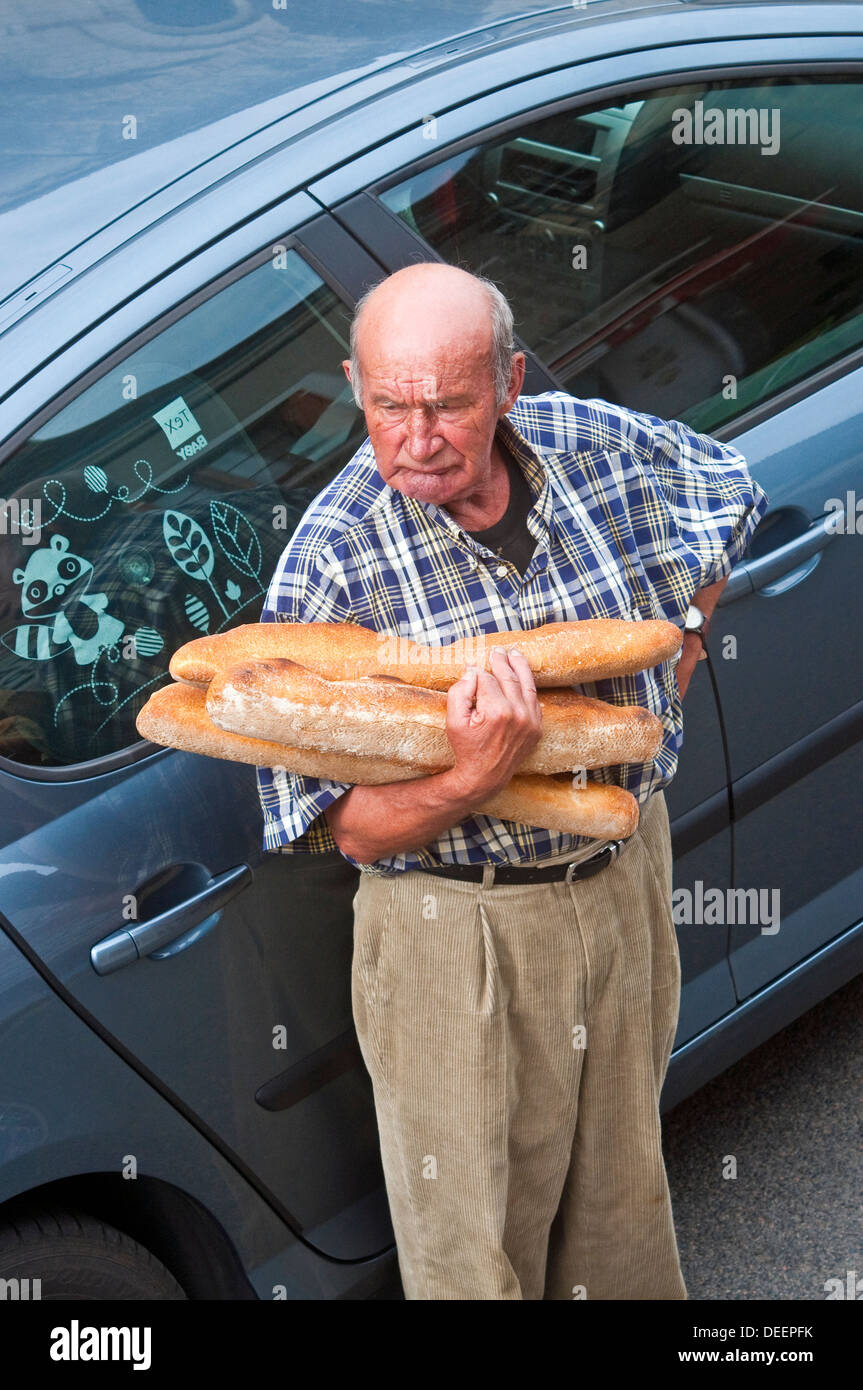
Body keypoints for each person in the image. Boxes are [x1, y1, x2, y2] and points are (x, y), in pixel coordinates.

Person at [255, 261, 769, 1300]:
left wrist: (689, 634)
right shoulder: (329, 563)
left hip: (621, 872)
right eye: (390, 404)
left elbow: (729, 488)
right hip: (457, 932)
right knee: (472, 1244)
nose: (416, 435)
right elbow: (344, 831)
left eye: (447, 403)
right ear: (355, 385)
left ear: (507, 385)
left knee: (620, 1192)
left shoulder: (589, 443)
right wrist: (470, 777)